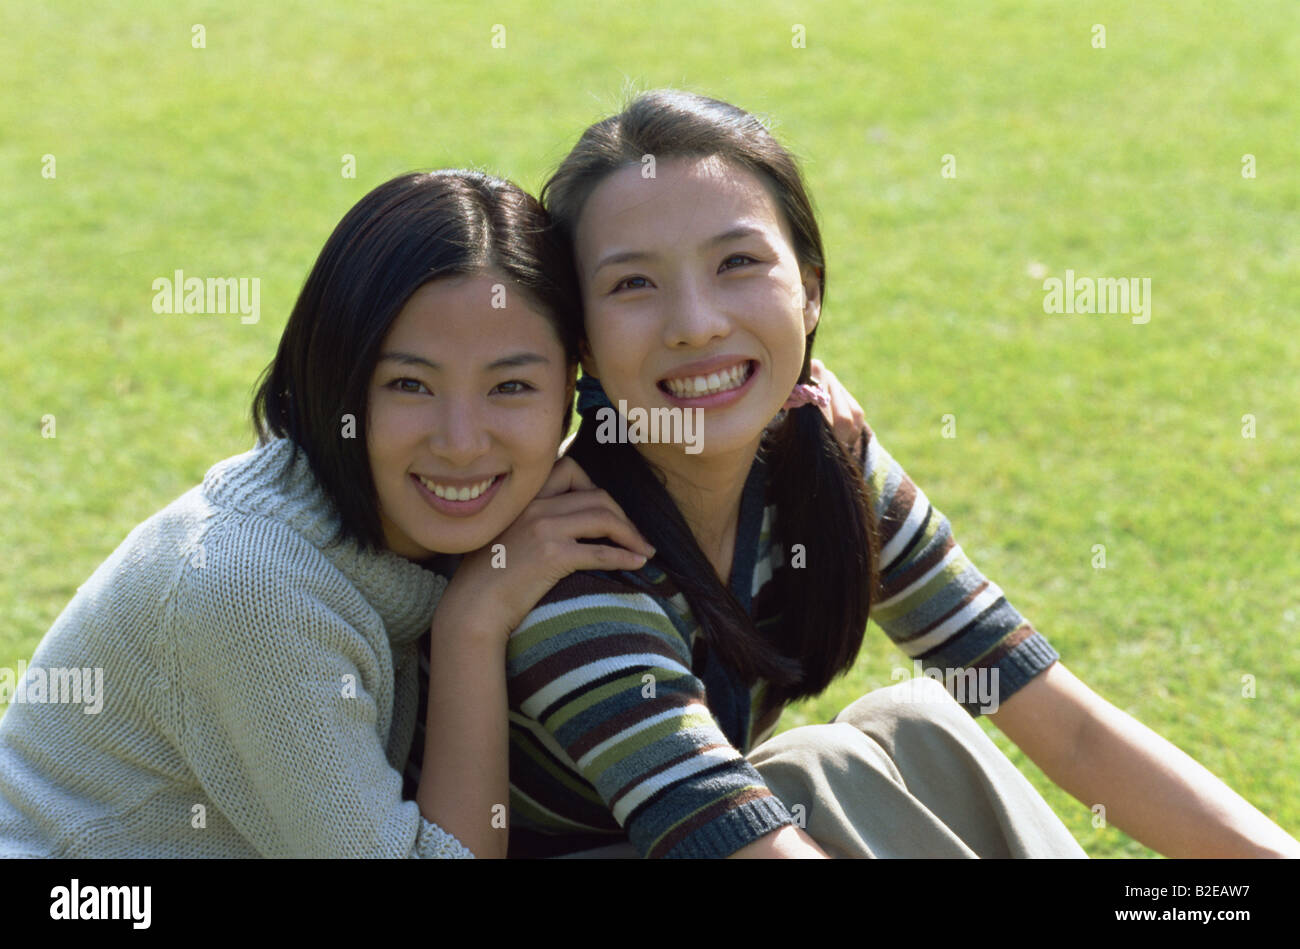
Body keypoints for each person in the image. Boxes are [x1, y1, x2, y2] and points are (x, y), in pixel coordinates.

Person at [466, 90, 1300, 858]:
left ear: (811, 291)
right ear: (580, 341)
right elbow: (739, 841)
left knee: (918, 724)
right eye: (634, 283)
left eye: (738, 264)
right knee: (815, 773)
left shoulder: (823, 453)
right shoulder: (571, 560)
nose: (696, 324)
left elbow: (1064, 724)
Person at [0, 169, 654, 859]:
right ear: (333, 377)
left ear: (570, 391)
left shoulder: (497, 522)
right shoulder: (251, 589)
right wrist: (472, 621)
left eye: (511, 385)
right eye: (408, 383)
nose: (461, 441)